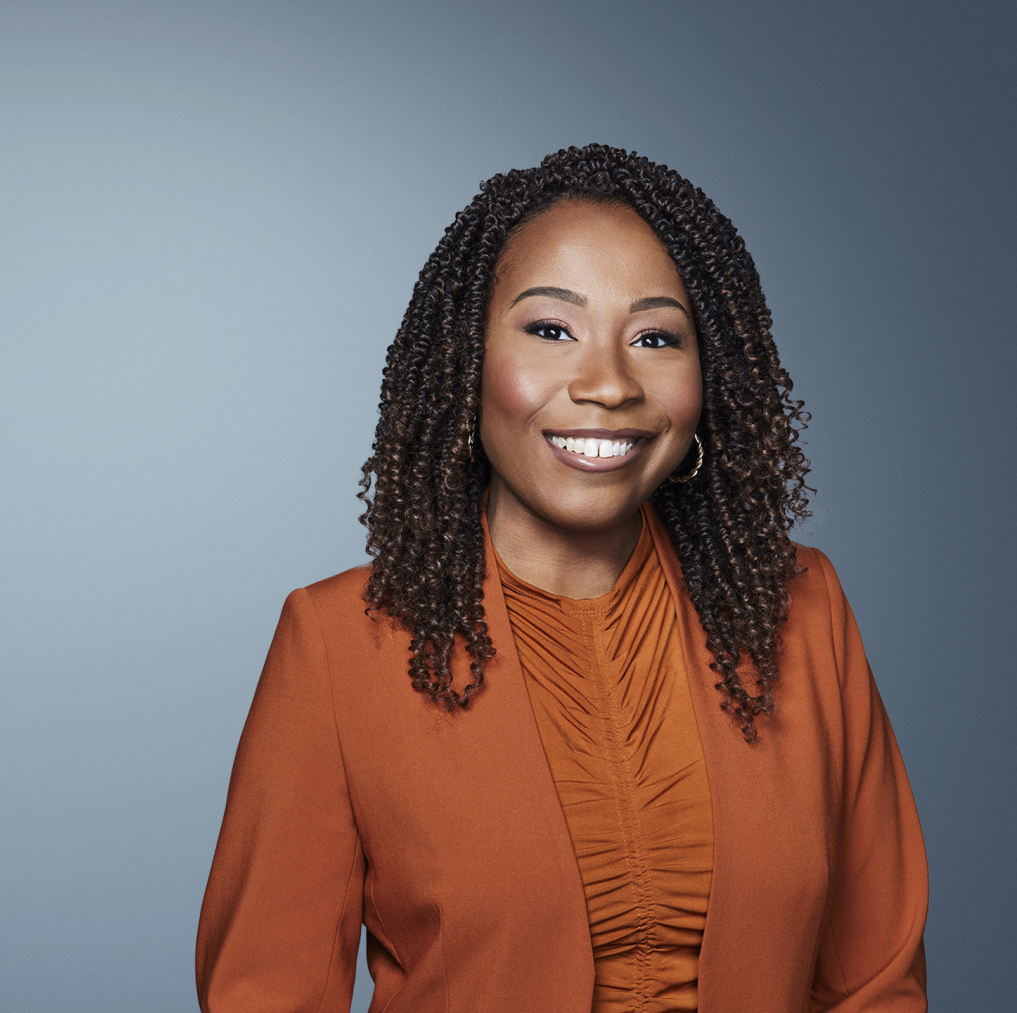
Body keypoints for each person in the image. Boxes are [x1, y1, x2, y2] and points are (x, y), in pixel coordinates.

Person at [195, 145, 927, 1013]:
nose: (609, 384)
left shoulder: (802, 608)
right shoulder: (336, 645)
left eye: (655, 338)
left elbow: (877, 983)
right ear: (465, 361)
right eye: (551, 330)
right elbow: (264, 994)